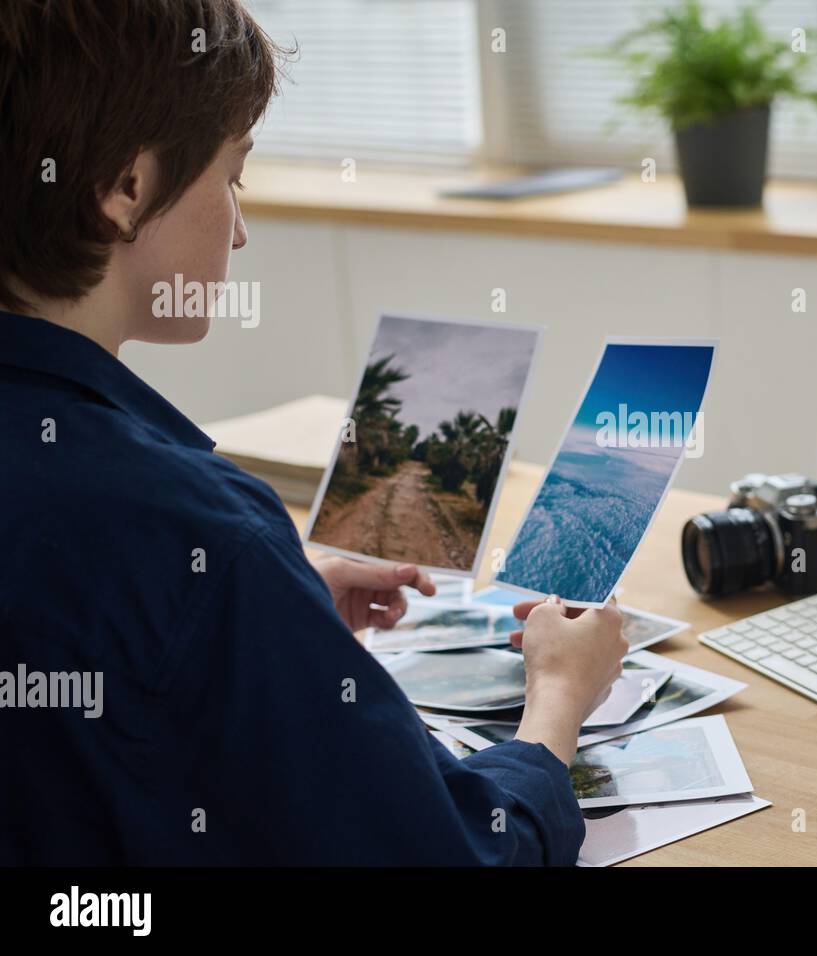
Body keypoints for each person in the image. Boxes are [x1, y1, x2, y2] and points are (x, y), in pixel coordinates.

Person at [0, 0, 627, 865]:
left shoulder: (192, 546)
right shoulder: (202, 533)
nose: (242, 227)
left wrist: (259, 616)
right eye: (234, 176)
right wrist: (558, 694)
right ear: (126, 187)